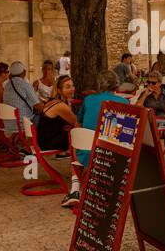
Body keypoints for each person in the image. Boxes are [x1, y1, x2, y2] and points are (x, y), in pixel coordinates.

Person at [64, 69, 123, 208]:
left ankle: (75, 188)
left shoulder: (89, 100)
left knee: (76, 138)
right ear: (116, 85)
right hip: (111, 156)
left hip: (85, 154)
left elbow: (77, 126)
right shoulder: (123, 101)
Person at [36, 75, 79, 153]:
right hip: (48, 143)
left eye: (73, 86)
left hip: (43, 141)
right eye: (67, 87)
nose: (72, 89)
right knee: (80, 132)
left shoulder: (53, 100)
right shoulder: (60, 105)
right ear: (59, 90)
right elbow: (77, 122)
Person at [0, 59, 42, 133]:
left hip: (8, 124)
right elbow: (38, 106)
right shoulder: (25, 85)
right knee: (46, 118)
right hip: (23, 124)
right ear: (24, 72)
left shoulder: (7, 85)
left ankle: (18, 138)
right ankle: (37, 141)